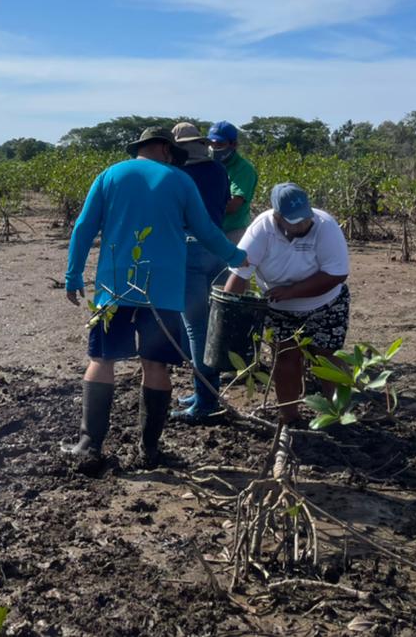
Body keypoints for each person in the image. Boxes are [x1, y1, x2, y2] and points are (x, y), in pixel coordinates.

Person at [63, 127, 247, 476]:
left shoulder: (109, 175)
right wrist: (236, 256)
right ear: (164, 149)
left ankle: (88, 445)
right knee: (156, 366)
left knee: (102, 360)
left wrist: (73, 275)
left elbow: (84, 227)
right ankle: (149, 450)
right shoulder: (180, 181)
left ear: (139, 149)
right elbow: (207, 231)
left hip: (115, 290)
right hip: (163, 292)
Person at [221, 182, 350, 425]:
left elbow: (337, 274)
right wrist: (228, 324)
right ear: (277, 216)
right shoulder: (261, 229)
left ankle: (339, 414)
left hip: (327, 303)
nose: (302, 225)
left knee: (327, 356)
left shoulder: (325, 225)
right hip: (280, 309)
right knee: (286, 358)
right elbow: (239, 276)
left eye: (305, 218)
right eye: (294, 221)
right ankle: (289, 417)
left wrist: (293, 291)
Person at [167, 122, 231, 424]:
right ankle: (206, 392)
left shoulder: (176, 176)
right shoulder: (219, 171)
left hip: (189, 251)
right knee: (213, 325)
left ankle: (205, 401)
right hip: (218, 249)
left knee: (196, 329)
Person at [206, 121, 258, 242]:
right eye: (211, 144)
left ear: (233, 145)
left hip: (232, 232)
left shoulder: (244, 169)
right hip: (209, 230)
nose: (214, 148)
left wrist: (198, 205)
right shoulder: (207, 164)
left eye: (220, 144)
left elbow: (233, 206)